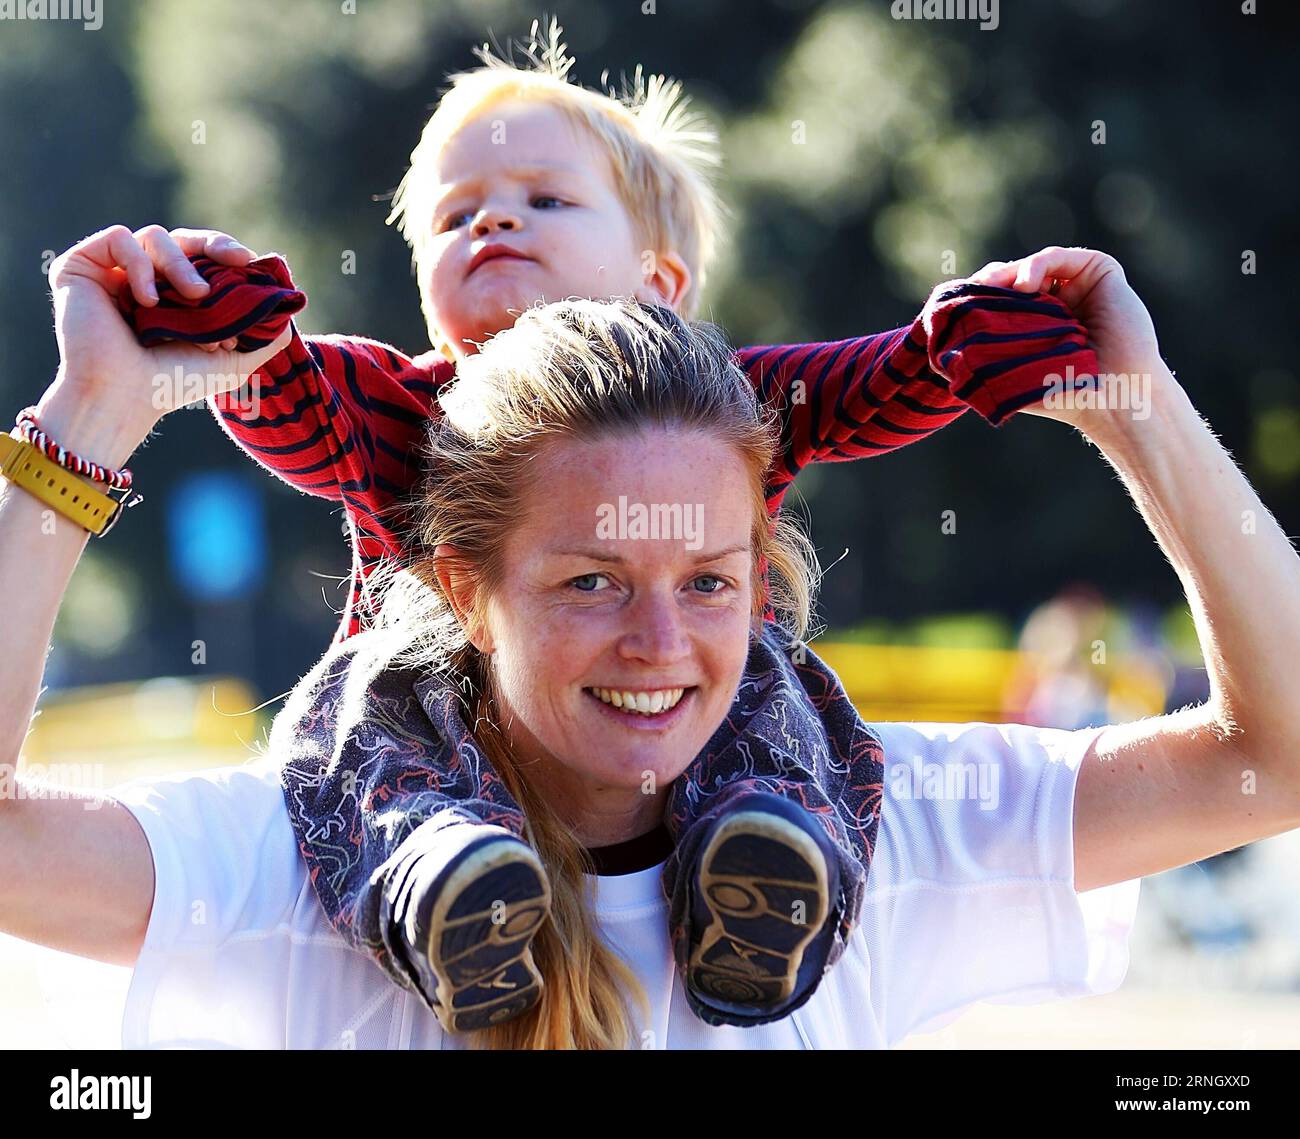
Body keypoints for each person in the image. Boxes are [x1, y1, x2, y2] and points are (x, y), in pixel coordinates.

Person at [4, 230, 1299, 1048]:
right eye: (590, 581)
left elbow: (1276, 757)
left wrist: (1142, 411)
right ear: (463, 586)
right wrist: (92, 411)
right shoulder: (304, 856)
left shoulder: (871, 831)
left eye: (711, 581)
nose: (661, 641)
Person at [104, 21, 1102, 1029]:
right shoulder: (401, 399)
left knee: (772, 675)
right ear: (423, 283)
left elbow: (867, 385)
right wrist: (235, 335)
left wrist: (956, 347)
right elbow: (292, 406)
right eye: (457, 216)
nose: (494, 222)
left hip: (680, 725)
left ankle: (761, 859)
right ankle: (439, 883)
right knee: (359, 704)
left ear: (659, 284)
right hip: (440, 729)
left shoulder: (711, 404)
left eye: (545, 199)